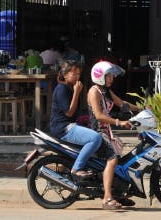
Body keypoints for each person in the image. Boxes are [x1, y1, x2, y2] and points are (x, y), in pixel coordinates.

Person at [87, 60, 140, 209]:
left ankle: (115, 191)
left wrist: (141, 109)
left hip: (107, 132)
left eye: (111, 75)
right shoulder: (94, 92)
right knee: (112, 159)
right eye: (109, 75)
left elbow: (122, 103)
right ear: (100, 76)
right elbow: (98, 116)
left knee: (119, 159)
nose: (112, 78)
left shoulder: (105, 91)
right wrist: (119, 122)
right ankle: (107, 198)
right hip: (98, 132)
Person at [49, 60, 101, 180]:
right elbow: (69, 112)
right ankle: (77, 168)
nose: (77, 76)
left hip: (70, 125)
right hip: (63, 128)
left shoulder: (68, 87)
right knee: (95, 138)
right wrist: (77, 92)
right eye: (73, 74)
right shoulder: (62, 88)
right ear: (65, 74)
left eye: (78, 74)